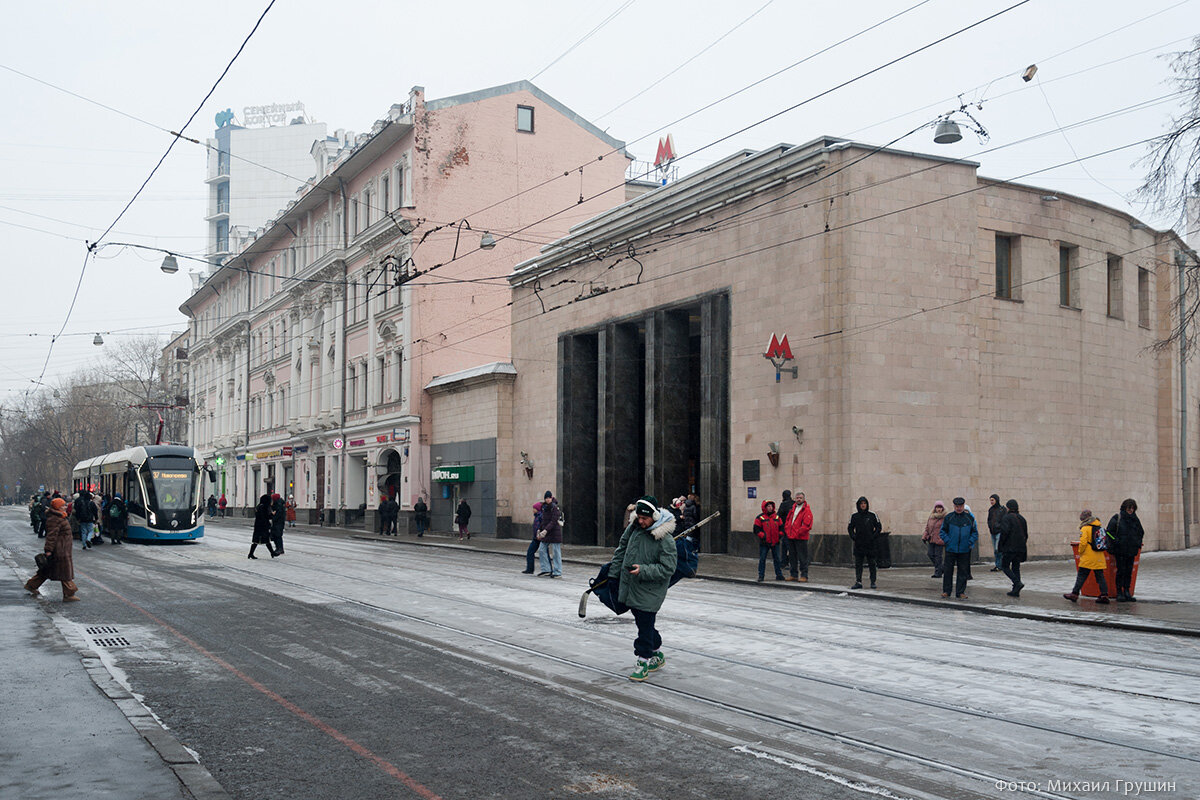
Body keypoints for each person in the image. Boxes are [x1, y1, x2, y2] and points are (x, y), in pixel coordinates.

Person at [611, 496, 677, 682]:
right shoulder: (633, 530)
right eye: (638, 517)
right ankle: (656, 652)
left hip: (650, 589)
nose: (640, 521)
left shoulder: (664, 539)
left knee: (644, 625)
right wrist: (613, 576)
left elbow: (668, 568)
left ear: (654, 517)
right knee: (644, 623)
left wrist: (644, 570)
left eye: (644, 518)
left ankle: (643, 661)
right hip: (631, 586)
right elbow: (621, 551)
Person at [23, 497, 79, 601]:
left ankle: (31, 585)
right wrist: (48, 550)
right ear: (58, 507)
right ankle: (69, 594)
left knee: (47, 571)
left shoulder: (60, 516)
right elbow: (51, 536)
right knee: (64, 572)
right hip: (59, 550)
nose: (65, 507)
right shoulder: (55, 519)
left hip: (62, 549)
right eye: (63, 505)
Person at [1064, 509, 1110, 604]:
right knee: (1100, 576)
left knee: (1081, 575)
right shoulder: (1099, 526)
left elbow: (1083, 543)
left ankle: (1074, 594)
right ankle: (1104, 595)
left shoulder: (1085, 528)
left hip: (1088, 557)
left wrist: (1080, 552)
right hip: (1099, 556)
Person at [939, 497, 978, 600]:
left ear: (963, 505)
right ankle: (946, 591)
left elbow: (974, 532)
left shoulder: (969, 518)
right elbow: (942, 531)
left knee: (963, 571)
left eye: (960, 506)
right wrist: (948, 541)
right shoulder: (949, 518)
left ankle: (960, 592)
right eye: (956, 506)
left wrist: (969, 542)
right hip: (950, 549)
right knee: (948, 571)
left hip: (964, 549)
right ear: (954, 506)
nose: (958, 508)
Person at [1107, 498, 1145, 602]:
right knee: (1121, 571)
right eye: (1129, 508)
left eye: (1132, 508)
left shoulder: (1135, 519)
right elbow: (1109, 532)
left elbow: (1141, 532)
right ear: (1125, 507)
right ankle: (1119, 592)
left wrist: (1137, 543)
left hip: (1131, 550)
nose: (1131, 510)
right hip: (1120, 550)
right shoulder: (1117, 518)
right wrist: (1117, 541)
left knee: (1129, 572)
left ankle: (1127, 591)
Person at [847, 496, 882, 589]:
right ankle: (858, 581)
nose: (863, 505)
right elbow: (850, 528)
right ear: (858, 505)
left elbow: (878, 527)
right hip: (859, 544)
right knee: (858, 564)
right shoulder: (854, 516)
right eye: (861, 504)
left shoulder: (872, 515)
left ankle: (873, 581)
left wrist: (873, 536)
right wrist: (854, 537)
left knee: (872, 564)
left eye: (864, 503)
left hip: (870, 544)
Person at [997, 499, 1028, 597]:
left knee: (1004, 566)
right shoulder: (1022, 518)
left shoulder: (1007, 518)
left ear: (1008, 508)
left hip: (1010, 548)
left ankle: (1017, 583)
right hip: (1020, 547)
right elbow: (1026, 534)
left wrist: (1000, 546)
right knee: (1016, 567)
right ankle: (1016, 590)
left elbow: (1004, 533)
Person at [783, 490, 813, 581]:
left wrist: (798, 532)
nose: (799, 499)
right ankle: (794, 574)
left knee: (803, 557)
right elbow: (788, 521)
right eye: (797, 498)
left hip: (801, 538)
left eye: (800, 498)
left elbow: (807, 525)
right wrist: (788, 531)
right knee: (792, 557)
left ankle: (804, 575)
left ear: (804, 499)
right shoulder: (793, 509)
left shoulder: (806, 510)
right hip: (791, 536)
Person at [754, 499, 785, 583]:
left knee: (777, 559)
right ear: (765, 507)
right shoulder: (760, 517)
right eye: (768, 506)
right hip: (764, 542)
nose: (770, 508)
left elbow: (782, 528)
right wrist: (763, 536)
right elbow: (756, 529)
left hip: (775, 542)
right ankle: (761, 575)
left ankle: (779, 575)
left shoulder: (777, 517)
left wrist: (779, 535)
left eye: (771, 506)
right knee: (762, 559)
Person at [537, 492, 563, 578]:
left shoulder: (554, 508)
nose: (548, 499)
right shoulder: (544, 508)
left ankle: (558, 571)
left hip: (555, 532)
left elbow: (553, 521)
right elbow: (543, 521)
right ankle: (546, 569)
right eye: (546, 498)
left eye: (549, 498)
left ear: (551, 498)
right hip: (547, 532)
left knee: (556, 552)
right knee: (541, 549)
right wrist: (539, 529)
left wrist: (545, 530)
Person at [921, 501, 946, 579]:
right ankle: (941, 568)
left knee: (938, 556)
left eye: (940, 507)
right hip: (931, 539)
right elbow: (927, 528)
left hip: (939, 540)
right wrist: (924, 536)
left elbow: (947, 529)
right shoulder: (931, 517)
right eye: (937, 507)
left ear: (943, 508)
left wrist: (944, 539)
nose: (939, 509)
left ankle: (938, 572)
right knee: (930, 554)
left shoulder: (945, 517)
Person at [249, 494, 277, 559]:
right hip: (262, 526)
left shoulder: (260, 506)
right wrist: (271, 515)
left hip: (259, 526)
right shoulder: (263, 507)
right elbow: (264, 517)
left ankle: (272, 553)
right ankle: (272, 553)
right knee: (263, 540)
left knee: (262, 540)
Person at [986, 494, 1006, 572]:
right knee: (995, 550)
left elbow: (1004, 520)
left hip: (999, 532)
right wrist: (990, 527)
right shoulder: (991, 510)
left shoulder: (1002, 510)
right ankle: (998, 565)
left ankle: (1001, 565)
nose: (991, 502)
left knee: (998, 549)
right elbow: (989, 520)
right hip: (993, 532)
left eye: (992, 500)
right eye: (990, 500)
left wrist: (1000, 528)